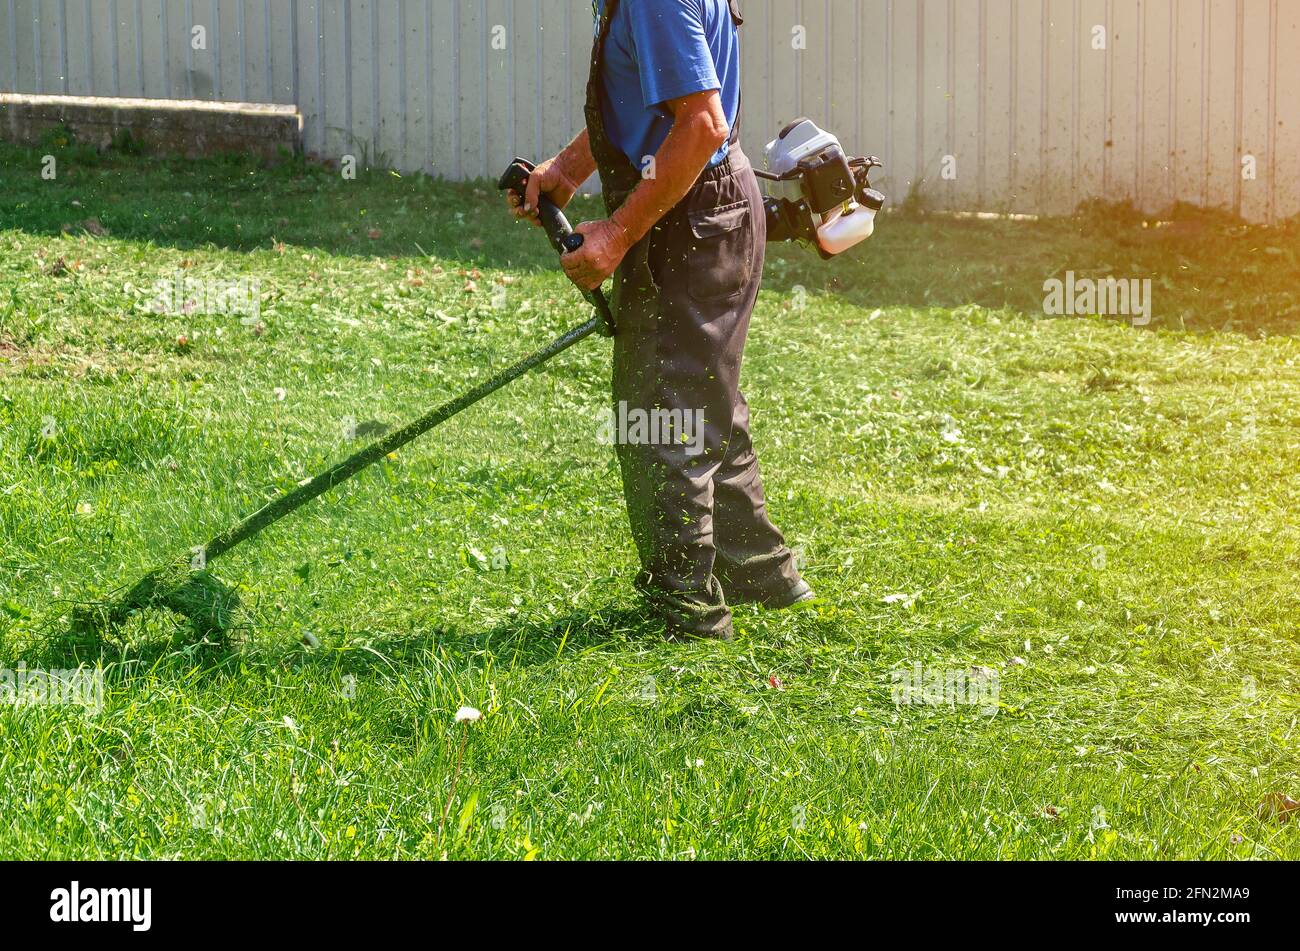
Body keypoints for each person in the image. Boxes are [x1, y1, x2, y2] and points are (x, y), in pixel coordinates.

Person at [505, 0, 811, 641]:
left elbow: (699, 126)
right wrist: (563, 173)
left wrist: (615, 233)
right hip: (708, 210)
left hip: (694, 223)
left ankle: (686, 615)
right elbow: (651, 104)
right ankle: (759, 579)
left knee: (661, 412)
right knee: (705, 404)